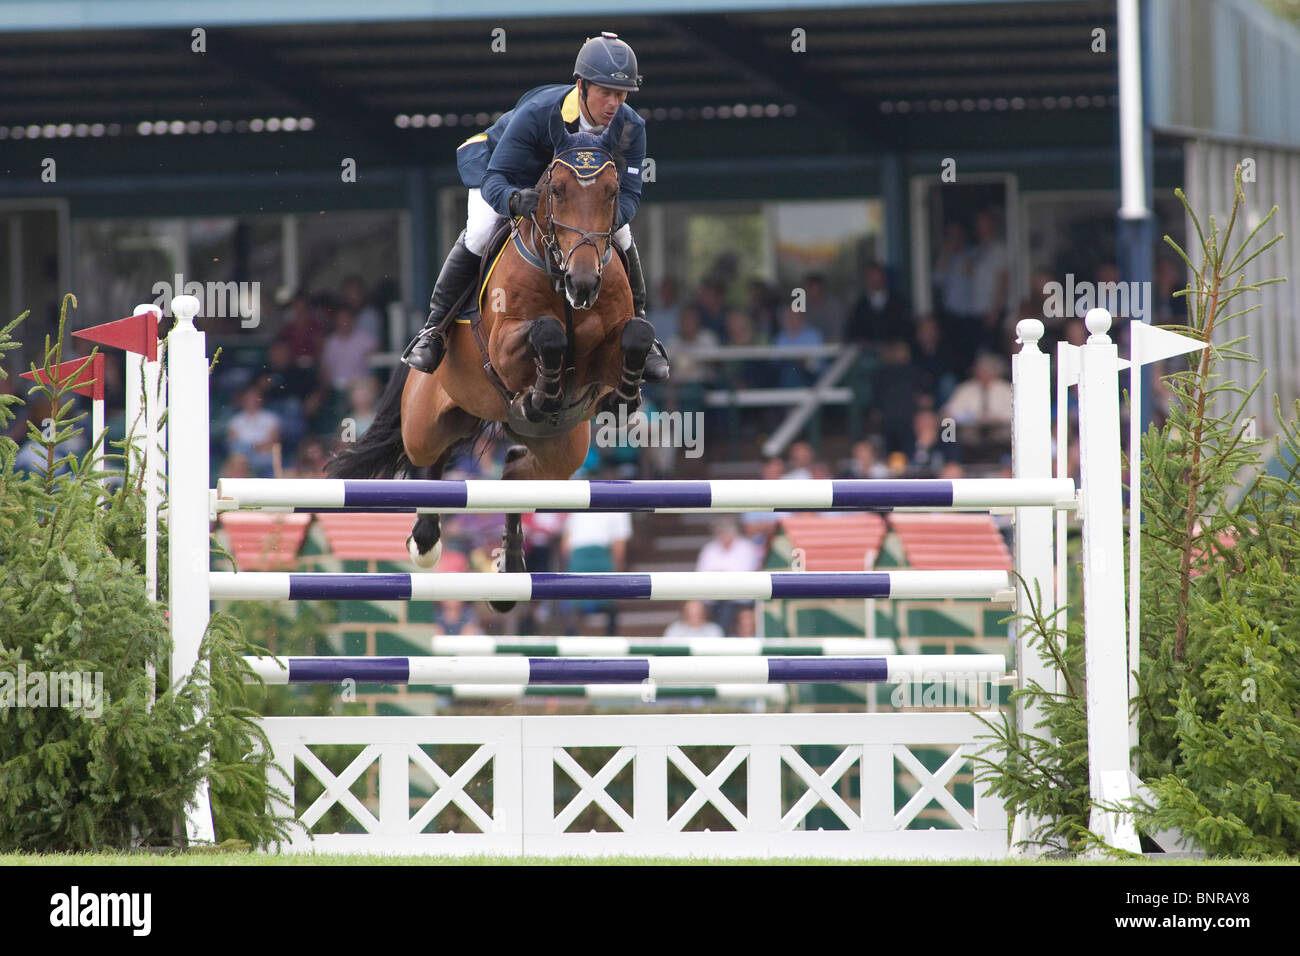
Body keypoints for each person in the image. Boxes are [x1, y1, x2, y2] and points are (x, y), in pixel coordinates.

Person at [401, 32, 669, 383]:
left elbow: (630, 194)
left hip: (576, 197)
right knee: (482, 232)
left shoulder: (631, 127)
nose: (614, 104)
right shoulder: (539, 114)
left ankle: (643, 333)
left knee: (621, 232)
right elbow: (497, 177)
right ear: (582, 86)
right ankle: (434, 330)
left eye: (621, 94)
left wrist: (598, 223)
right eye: (606, 92)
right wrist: (513, 201)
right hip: (507, 174)